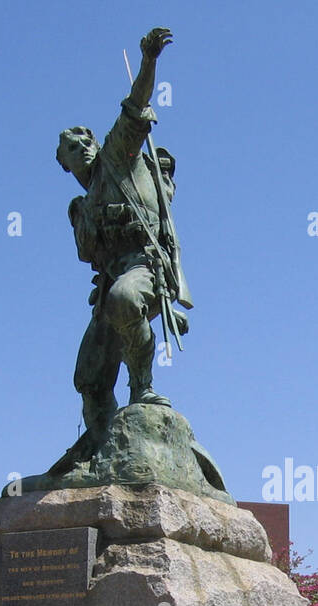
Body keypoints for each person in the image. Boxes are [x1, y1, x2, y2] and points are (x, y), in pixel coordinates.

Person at [49, 27, 190, 476]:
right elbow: (87, 253)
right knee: (88, 377)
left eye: (82, 144)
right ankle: (103, 449)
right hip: (109, 281)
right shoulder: (81, 208)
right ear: (65, 165)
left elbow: (135, 105)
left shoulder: (118, 156)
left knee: (125, 300)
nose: (80, 153)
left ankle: (142, 387)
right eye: (70, 152)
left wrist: (149, 61)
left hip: (143, 266)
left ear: (95, 144)